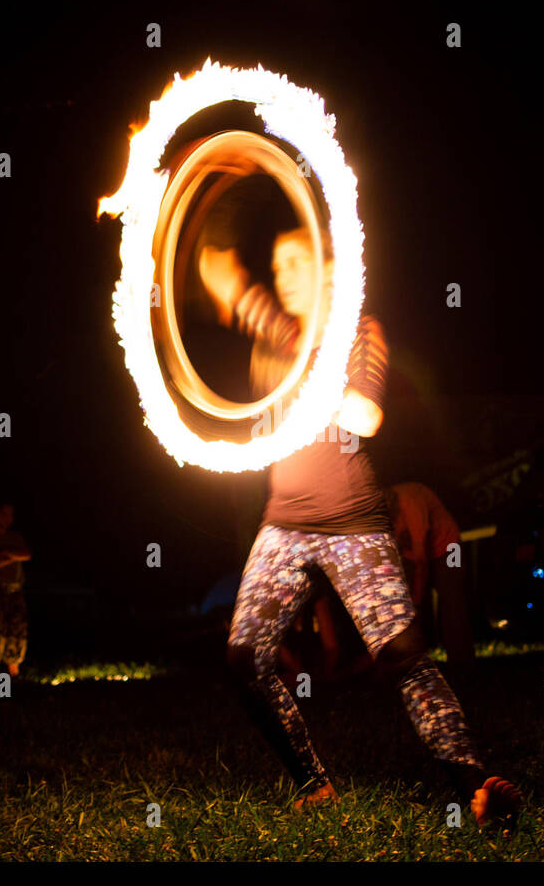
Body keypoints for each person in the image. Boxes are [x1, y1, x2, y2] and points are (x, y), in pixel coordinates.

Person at [199, 227, 521, 827]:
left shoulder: (357, 332)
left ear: (328, 273)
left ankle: (475, 784)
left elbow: (367, 417)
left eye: (298, 261)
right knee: (244, 656)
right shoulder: (278, 333)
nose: (285, 272)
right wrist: (204, 231)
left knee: (404, 656)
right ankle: (315, 783)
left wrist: (316, 378)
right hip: (285, 527)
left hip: (354, 525)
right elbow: (225, 279)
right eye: (278, 264)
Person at [385, 482, 474, 676]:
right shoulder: (382, 514)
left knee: (452, 603)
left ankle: (462, 666)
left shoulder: (411, 503)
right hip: (414, 555)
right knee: (405, 607)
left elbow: (421, 565)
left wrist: (416, 603)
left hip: (448, 547)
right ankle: (412, 665)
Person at [0, 502, 32, 678]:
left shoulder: (15, 537)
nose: (7, 518)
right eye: (3, 513)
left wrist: (7, 554)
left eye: (10, 515)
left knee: (16, 631)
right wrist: (13, 555)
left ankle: (13, 675)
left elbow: (26, 554)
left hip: (16, 590)